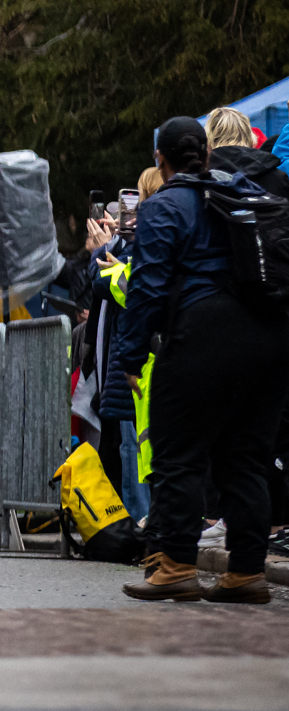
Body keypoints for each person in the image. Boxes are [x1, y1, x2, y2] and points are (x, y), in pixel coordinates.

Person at [109, 117, 287, 603]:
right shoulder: (247, 193)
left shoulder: (165, 206)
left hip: (203, 335)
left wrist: (132, 353)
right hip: (271, 337)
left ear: (159, 161)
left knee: (179, 456)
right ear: (208, 155)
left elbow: (146, 288)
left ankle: (176, 566)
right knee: (246, 460)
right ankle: (246, 572)